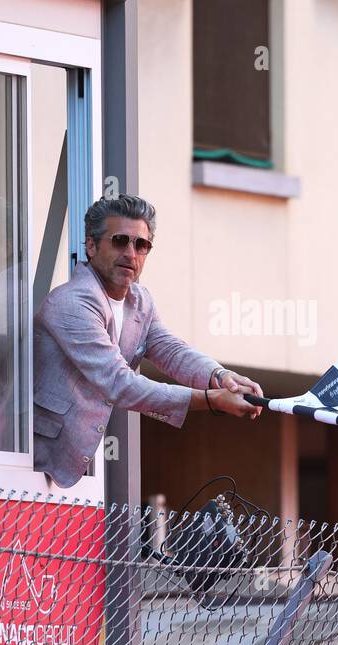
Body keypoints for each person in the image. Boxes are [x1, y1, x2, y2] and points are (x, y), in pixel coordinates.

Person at [33, 195, 263, 488]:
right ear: (91, 246)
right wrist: (211, 400)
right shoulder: (72, 302)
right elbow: (120, 384)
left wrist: (221, 377)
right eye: (120, 241)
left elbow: (171, 350)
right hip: (31, 465)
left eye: (142, 245)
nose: (131, 253)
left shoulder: (140, 301)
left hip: (75, 475)